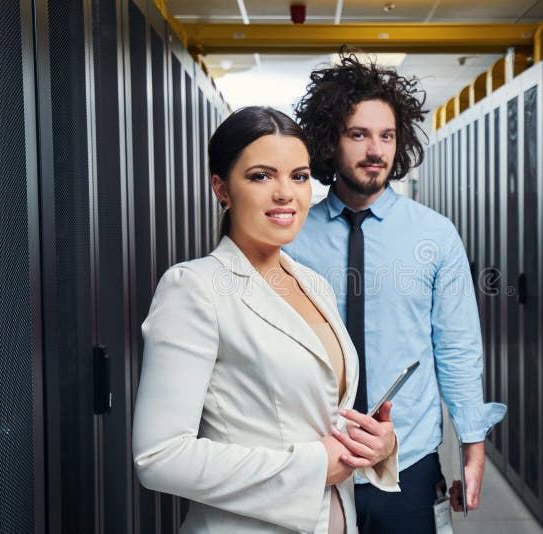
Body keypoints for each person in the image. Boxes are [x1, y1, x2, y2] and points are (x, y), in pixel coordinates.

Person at [132, 106, 399, 534]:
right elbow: (159, 457)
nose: (285, 194)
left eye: (298, 176)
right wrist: (314, 466)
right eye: (261, 176)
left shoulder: (314, 284)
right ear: (222, 188)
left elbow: (319, 415)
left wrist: (375, 446)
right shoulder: (194, 288)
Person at [285, 54, 506, 532]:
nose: (375, 150)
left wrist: (473, 444)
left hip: (408, 463)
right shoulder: (293, 239)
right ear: (330, 140)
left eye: (386, 136)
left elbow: (458, 347)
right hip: (313, 461)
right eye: (358, 134)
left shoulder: (436, 235)